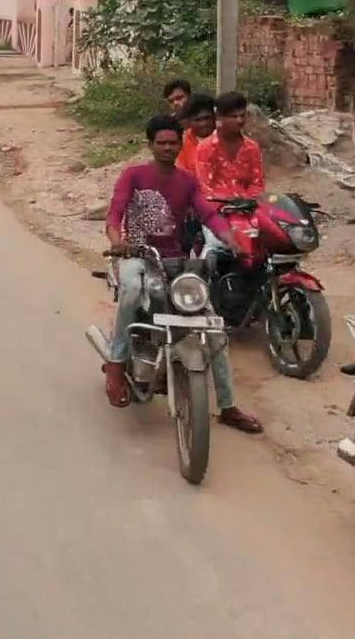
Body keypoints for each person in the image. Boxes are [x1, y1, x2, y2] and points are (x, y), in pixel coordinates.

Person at [102, 114, 263, 434]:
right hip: (137, 255)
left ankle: (228, 406)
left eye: (172, 142)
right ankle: (117, 364)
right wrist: (118, 242)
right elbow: (115, 213)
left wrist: (232, 239)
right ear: (150, 145)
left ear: (180, 144)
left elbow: (207, 213)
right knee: (132, 289)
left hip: (174, 259)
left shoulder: (187, 180)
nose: (166, 148)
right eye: (160, 143)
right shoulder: (134, 175)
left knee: (211, 324)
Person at [193, 90, 266, 201]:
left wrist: (246, 203)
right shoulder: (205, 148)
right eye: (233, 116)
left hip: (248, 207)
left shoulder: (252, 148)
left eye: (242, 115)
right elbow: (205, 188)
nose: (239, 120)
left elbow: (257, 185)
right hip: (216, 208)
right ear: (219, 117)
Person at [175, 92, 216, 176]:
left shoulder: (227, 138)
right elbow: (182, 174)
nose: (203, 124)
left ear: (214, 116)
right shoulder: (183, 141)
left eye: (207, 118)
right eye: (198, 120)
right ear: (189, 121)